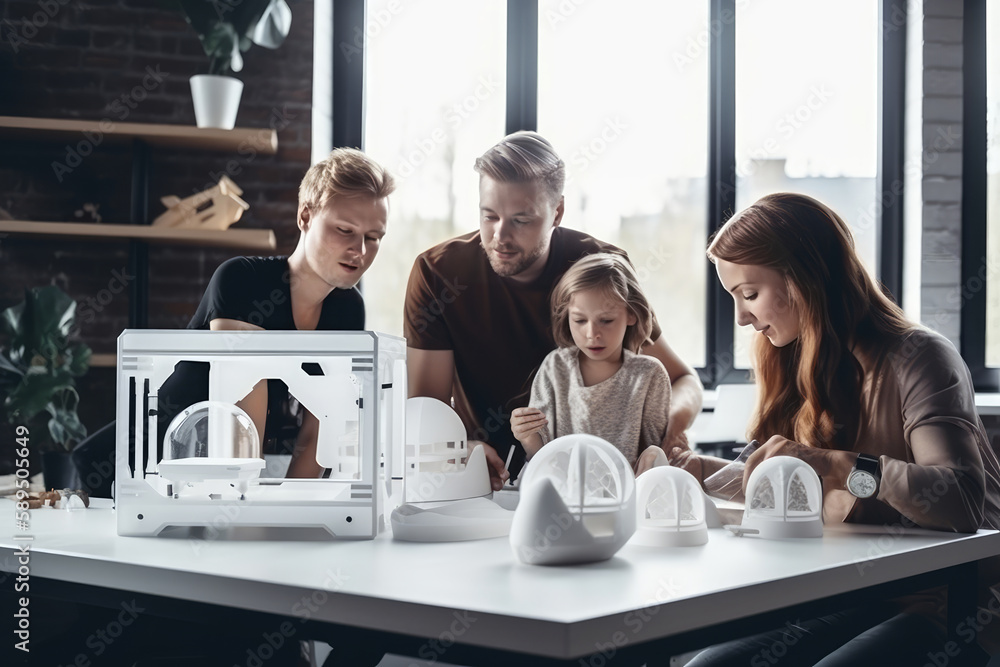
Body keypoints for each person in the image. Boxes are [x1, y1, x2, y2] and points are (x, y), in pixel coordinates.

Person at [674, 192, 1000, 666]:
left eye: (749, 295)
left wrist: (836, 464)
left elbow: (962, 501)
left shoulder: (919, 358)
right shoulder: (796, 359)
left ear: (807, 280)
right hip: (854, 591)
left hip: (951, 603)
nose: (742, 317)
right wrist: (696, 470)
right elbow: (796, 482)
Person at [72, 147, 395, 491]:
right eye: (345, 230)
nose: (360, 250)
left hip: (205, 484)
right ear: (305, 216)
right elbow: (241, 423)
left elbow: (321, 427)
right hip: (126, 475)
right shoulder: (243, 280)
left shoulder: (347, 309)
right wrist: (257, 518)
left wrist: (291, 507)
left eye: (374, 238)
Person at [404, 130, 703, 490]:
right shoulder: (438, 274)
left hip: (595, 484)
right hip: (481, 484)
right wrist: (462, 451)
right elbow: (426, 412)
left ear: (557, 211)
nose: (500, 235)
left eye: (521, 219)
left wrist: (669, 433)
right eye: (489, 216)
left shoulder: (600, 266)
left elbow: (683, 380)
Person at [510, 252, 671, 474]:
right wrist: (527, 437)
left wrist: (655, 454)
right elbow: (541, 457)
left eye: (606, 320)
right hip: (561, 499)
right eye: (580, 320)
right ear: (567, 316)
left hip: (626, 500)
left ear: (631, 315)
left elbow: (657, 455)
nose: (592, 333)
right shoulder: (555, 367)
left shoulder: (649, 375)